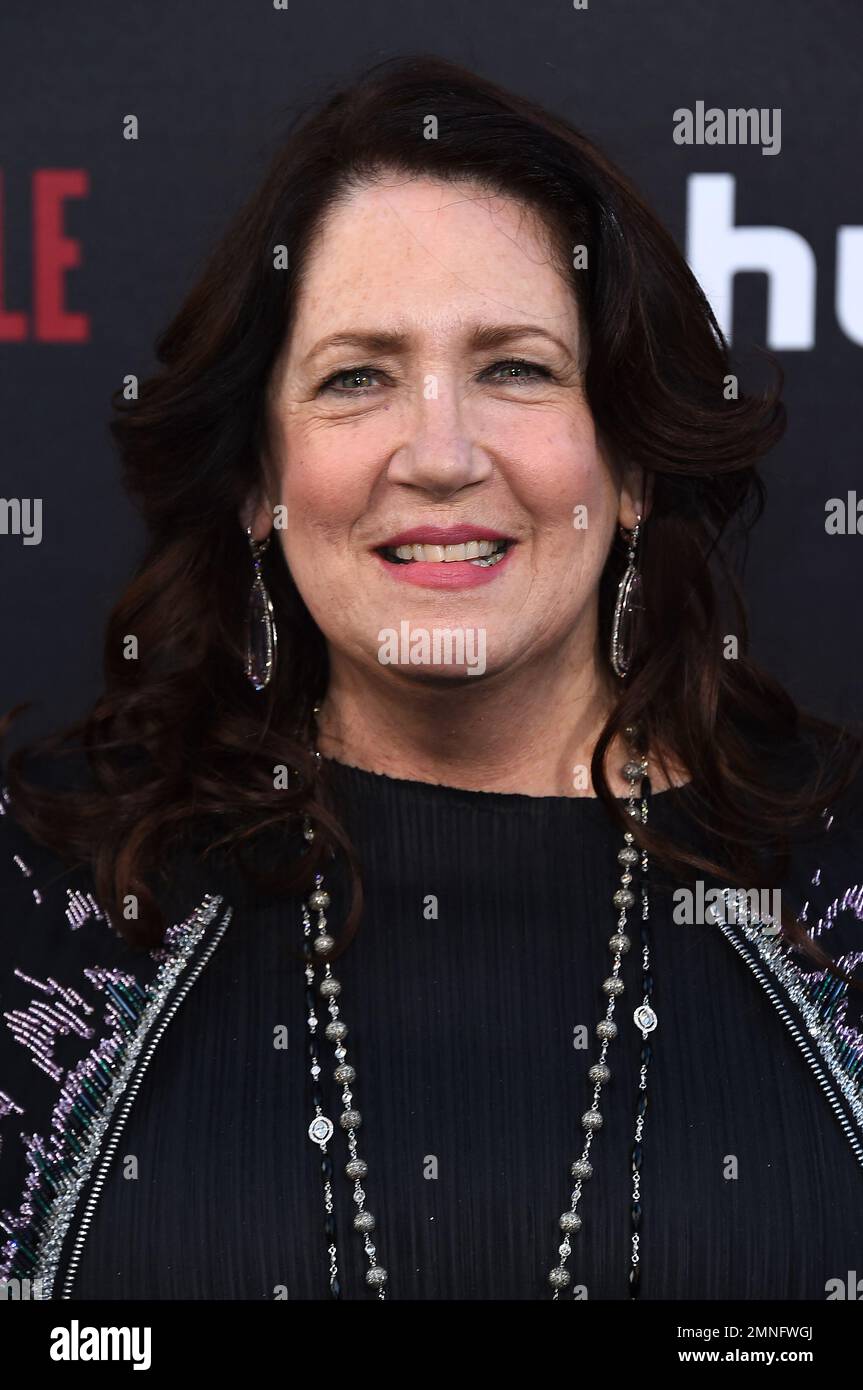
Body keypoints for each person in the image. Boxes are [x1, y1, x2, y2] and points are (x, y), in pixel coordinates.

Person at [1, 54, 862, 1302]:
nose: (441, 453)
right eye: (356, 376)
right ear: (257, 482)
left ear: (629, 468)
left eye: (515, 366)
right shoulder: (49, 895)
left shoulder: (836, 878)